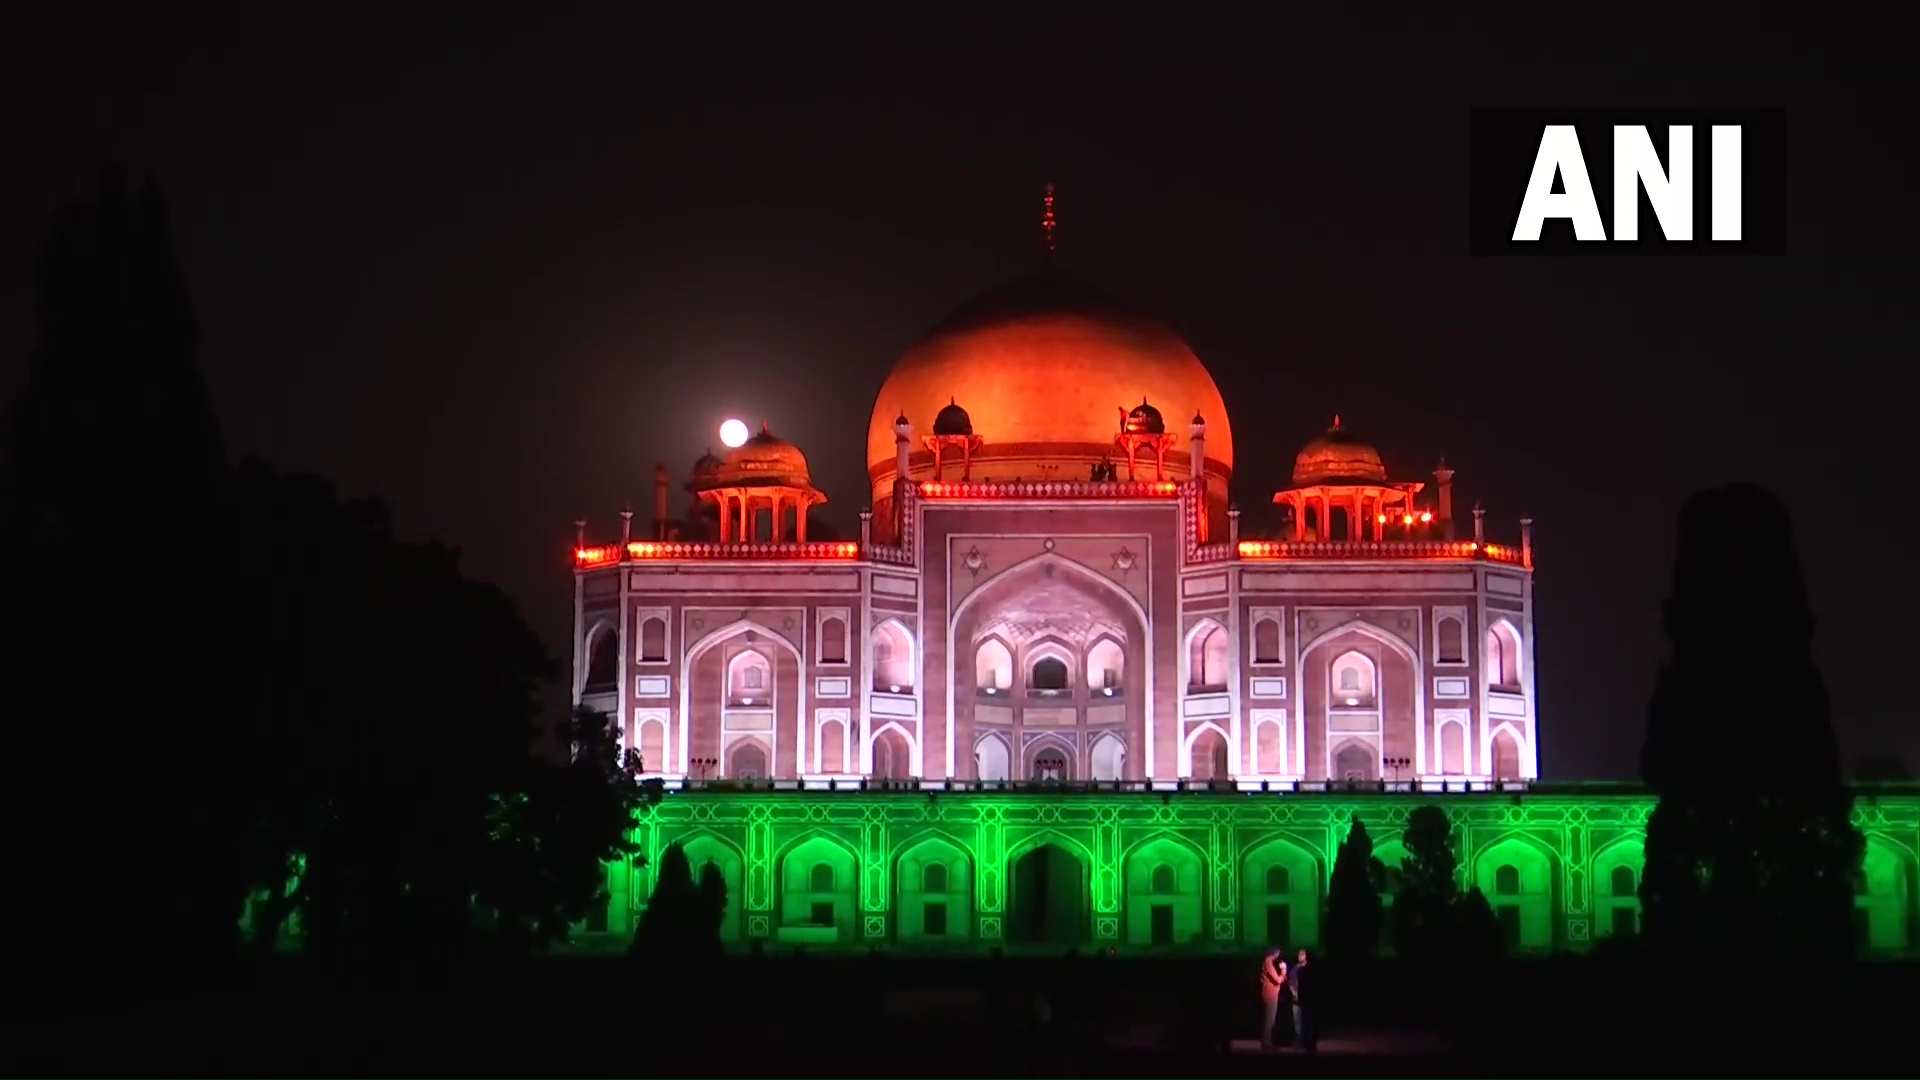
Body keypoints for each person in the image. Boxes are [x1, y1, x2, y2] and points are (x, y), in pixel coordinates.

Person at [1258, 947, 1287, 1050]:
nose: (1278, 955)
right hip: (1271, 994)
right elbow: (1277, 980)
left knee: (1269, 1019)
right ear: (1274, 953)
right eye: (1278, 953)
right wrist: (1283, 970)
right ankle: (1267, 1043)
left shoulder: (1267, 962)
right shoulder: (1268, 962)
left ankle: (1266, 1042)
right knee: (1270, 1020)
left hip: (1269, 993)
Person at [1288, 947, 1313, 1051]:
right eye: (1299, 955)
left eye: (1302, 955)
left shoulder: (1309, 969)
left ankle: (1307, 1042)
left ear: (1306, 956)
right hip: (1296, 999)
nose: (1300, 957)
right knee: (1297, 1022)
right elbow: (1290, 982)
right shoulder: (1295, 969)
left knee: (1306, 1021)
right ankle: (1298, 1042)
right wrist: (1293, 991)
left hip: (1306, 999)